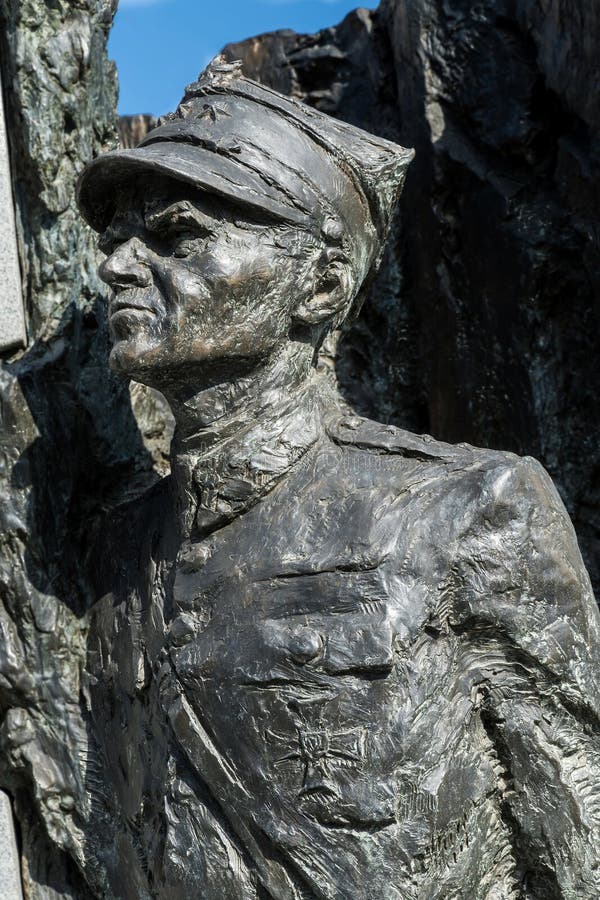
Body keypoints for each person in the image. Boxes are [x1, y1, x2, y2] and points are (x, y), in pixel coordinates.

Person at [77, 56, 600, 900]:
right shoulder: (116, 548)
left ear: (318, 285)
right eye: (117, 241)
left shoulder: (467, 510)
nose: (118, 267)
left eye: (177, 236)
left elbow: (579, 834)